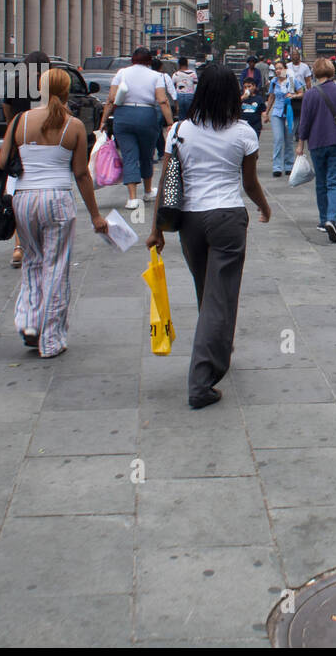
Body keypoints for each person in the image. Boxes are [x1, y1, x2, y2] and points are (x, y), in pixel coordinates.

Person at [146, 66, 271, 410]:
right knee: (221, 296)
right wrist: (264, 206)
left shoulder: (179, 130)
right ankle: (201, 382)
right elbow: (249, 183)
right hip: (227, 218)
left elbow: (166, 182)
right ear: (233, 95)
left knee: (207, 291)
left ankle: (217, 347)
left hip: (190, 221)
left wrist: (156, 229)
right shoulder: (244, 133)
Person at [1, 68, 108, 357]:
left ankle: (29, 322)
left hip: (24, 199)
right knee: (56, 267)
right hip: (58, 199)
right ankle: (51, 340)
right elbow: (81, 174)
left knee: (32, 261)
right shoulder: (74, 126)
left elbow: (2, 161)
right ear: (66, 91)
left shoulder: (20, 120)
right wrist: (95, 215)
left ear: (41, 88)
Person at [101, 47, 175, 211]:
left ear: (133, 59)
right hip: (146, 115)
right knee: (147, 155)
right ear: (149, 61)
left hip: (123, 115)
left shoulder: (121, 73)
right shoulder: (156, 76)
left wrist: (103, 120)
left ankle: (132, 198)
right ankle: (148, 191)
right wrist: (170, 123)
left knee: (129, 156)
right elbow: (162, 100)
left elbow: (111, 99)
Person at [296, 57, 336, 242]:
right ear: (332, 71)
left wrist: (300, 144)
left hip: (316, 143)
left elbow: (304, 122)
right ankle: (332, 219)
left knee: (321, 182)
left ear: (315, 72)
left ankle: (324, 220)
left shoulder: (310, 94)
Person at [6, 50, 52, 268]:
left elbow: (8, 112)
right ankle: (41, 242)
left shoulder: (14, 84)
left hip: (20, 143)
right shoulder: (49, 87)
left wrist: (14, 130)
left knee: (19, 194)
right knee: (44, 193)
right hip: (46, 144)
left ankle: (19, 246)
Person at [264, 59, 304, 175]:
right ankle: (277, 167)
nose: (278, 71)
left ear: (285, 69)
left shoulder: (292, 80)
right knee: (278, 139)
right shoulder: (274, 82)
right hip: (277, 112)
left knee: (289, 140)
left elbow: (302, 93)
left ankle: (289, 165)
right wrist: (266, 112)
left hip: (290, 112)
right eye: (276, 69)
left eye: (280, 68)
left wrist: (294, 95)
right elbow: (271, 97)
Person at [152, 57, 178, 161]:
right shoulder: (164, 76)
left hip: (148, 106)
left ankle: (155, 153)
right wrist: (176, 104)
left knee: (154, 129)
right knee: (157, 129)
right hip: (160, 106)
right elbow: (172, 91)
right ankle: (160, 152)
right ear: (161, 67)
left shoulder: (147, 76)